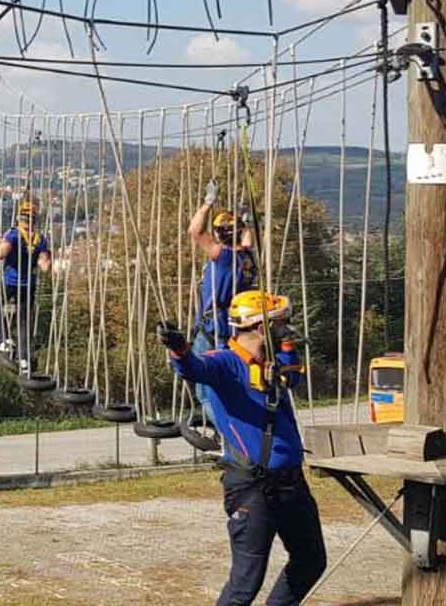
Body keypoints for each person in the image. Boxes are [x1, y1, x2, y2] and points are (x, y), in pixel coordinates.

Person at [157, 292, 326, 606]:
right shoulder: (225, 363)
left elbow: (293, 379)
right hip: (253, 487)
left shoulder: (271, 363)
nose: (286, 330)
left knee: (311, 560)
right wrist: (179, 349)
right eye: (281, 325)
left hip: (291, 483)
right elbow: (193, 369)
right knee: (245, 583)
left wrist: (286, 348)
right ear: (261, 328)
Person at [189, 179, 257, 433]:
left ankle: (230, 433)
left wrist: (207, 204)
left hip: (212, 326)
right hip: (232, 327)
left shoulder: (224, 257)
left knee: (205, 391)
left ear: (219, 235)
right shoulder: (247, 257)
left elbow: (195, 231)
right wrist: (243, 221)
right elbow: (247, 239)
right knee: (228, 380)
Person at [0, 200, 52, 375]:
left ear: (20, 218)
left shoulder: (13, 235)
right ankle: (24, 359)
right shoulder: (40, 239)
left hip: (10, 282)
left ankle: (4, 338)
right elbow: (45, 267)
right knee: (24, 322)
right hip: (29, 285)